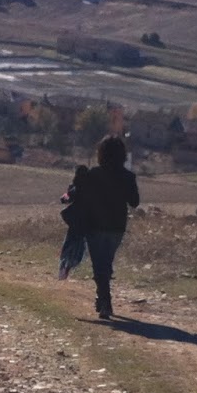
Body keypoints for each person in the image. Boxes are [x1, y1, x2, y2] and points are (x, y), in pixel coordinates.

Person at [80, 135, 140, 319]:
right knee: (106, 262)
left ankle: (105, 302)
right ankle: (102, 298)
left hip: (95, 225)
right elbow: (135, 202)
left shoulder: (93, 174)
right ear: (122, 155)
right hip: (117, 227)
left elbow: (81, 198)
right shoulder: (128, 177)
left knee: (100, 264)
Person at [57, 164, 90, 281]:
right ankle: (70, 265)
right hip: (88, 221)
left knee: (69, 242)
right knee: (80, 246)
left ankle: (64, 265)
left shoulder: (75, 186)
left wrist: (65, 196)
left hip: (74, 220)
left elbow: (66, 198)